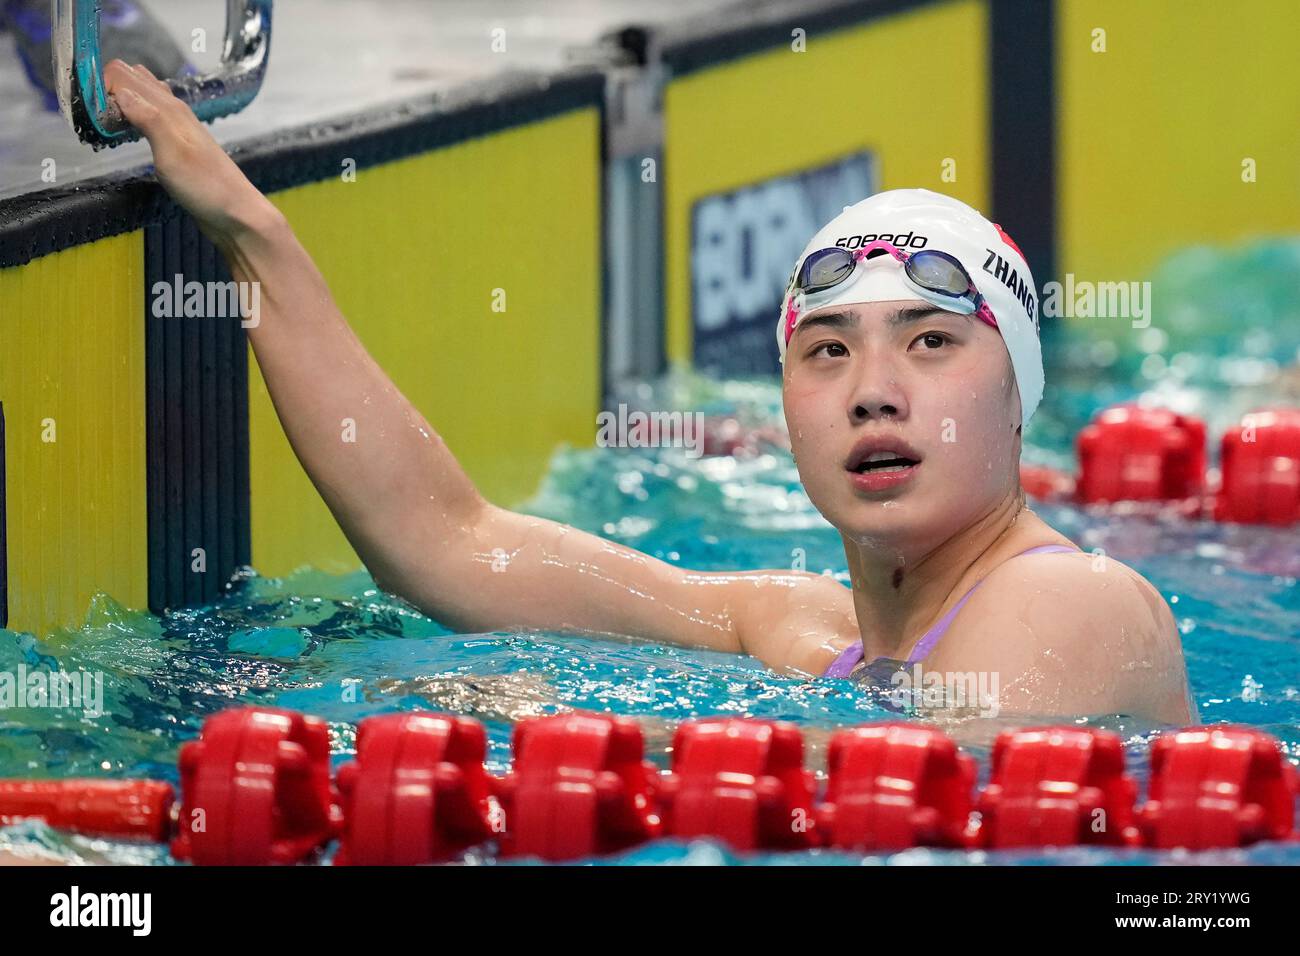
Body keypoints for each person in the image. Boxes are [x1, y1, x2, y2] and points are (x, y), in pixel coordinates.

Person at [101, 59, 1195, 725]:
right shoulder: (807, 631)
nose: (873, 392)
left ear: (1021, 398)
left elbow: (922, 781)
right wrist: (255, 235)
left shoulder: (1074, 601)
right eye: (826, 351)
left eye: (929, 343)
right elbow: (445, 539)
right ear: (785, 404)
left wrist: (557, 725)